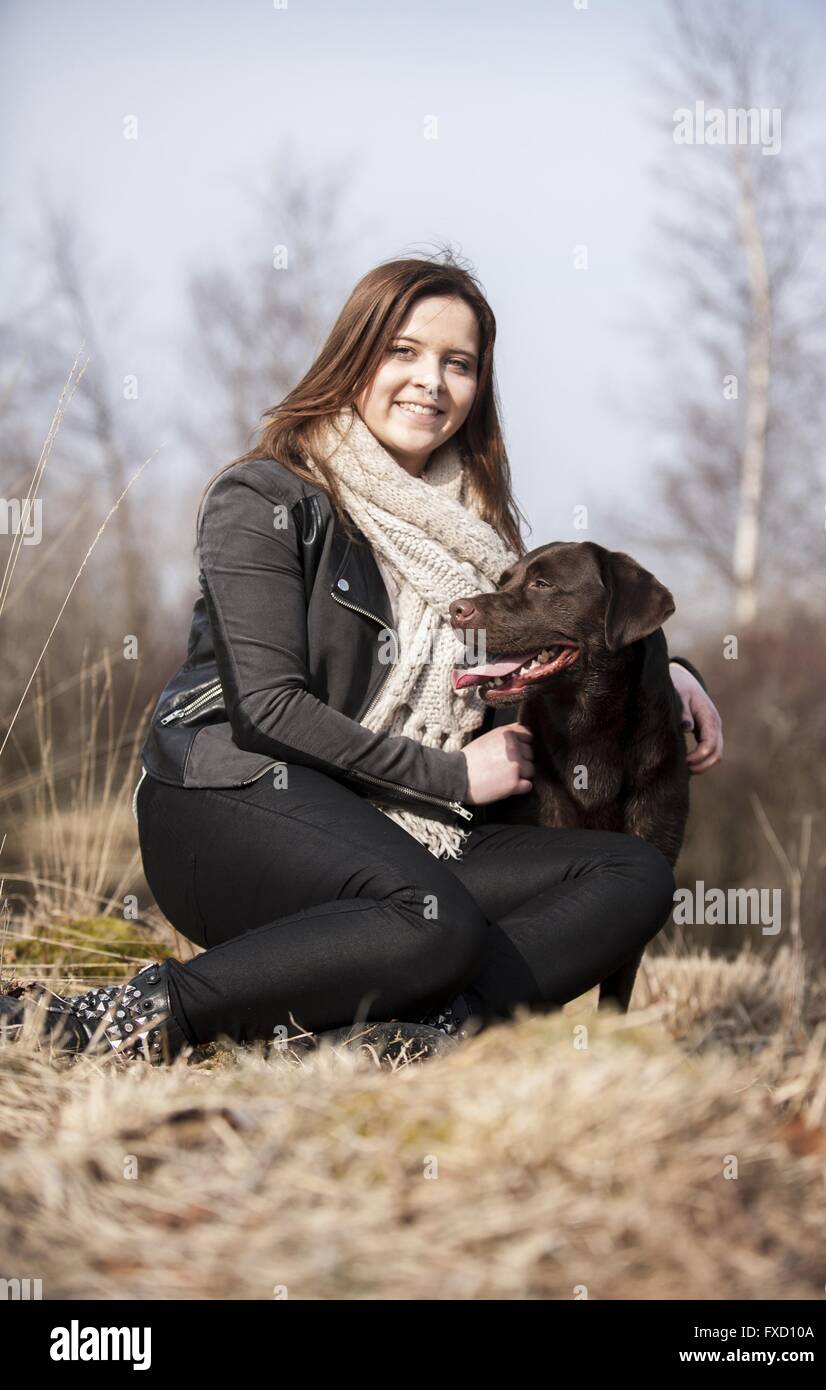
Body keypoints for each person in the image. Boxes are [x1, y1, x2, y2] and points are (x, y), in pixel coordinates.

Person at [1, 255, 723, 1063]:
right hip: (229, 802)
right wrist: (452, 777)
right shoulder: (266, 498)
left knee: (632, 875)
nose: (432, 383)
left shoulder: (478, 538)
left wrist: (671, 668)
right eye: (404, 351)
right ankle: (119, 1019)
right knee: (429, 918)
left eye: (459, 363)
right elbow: (267, 709)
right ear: (357, 355)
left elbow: (571, 618)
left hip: (409, 837)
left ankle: (412, 1038)